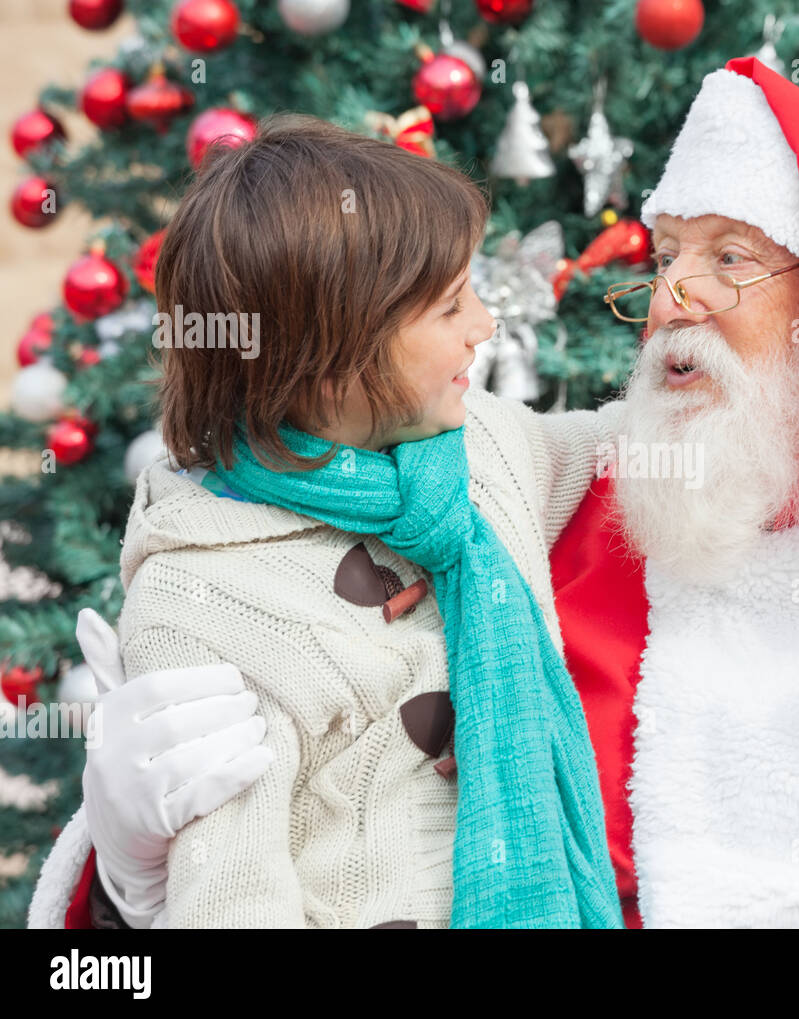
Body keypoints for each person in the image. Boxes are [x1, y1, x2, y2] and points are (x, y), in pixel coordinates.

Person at [29, 66, 799, 931]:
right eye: (666, 255)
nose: (670, 298)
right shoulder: (597, 522)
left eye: (728, 257)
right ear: (331, 362)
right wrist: (128, 873)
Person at [28, 112, 625, 929]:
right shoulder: (206, 597)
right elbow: (232, 902)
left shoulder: (481, 446)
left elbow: (642, 448)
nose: (486, 325)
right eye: (451, 307)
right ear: (334, 358)